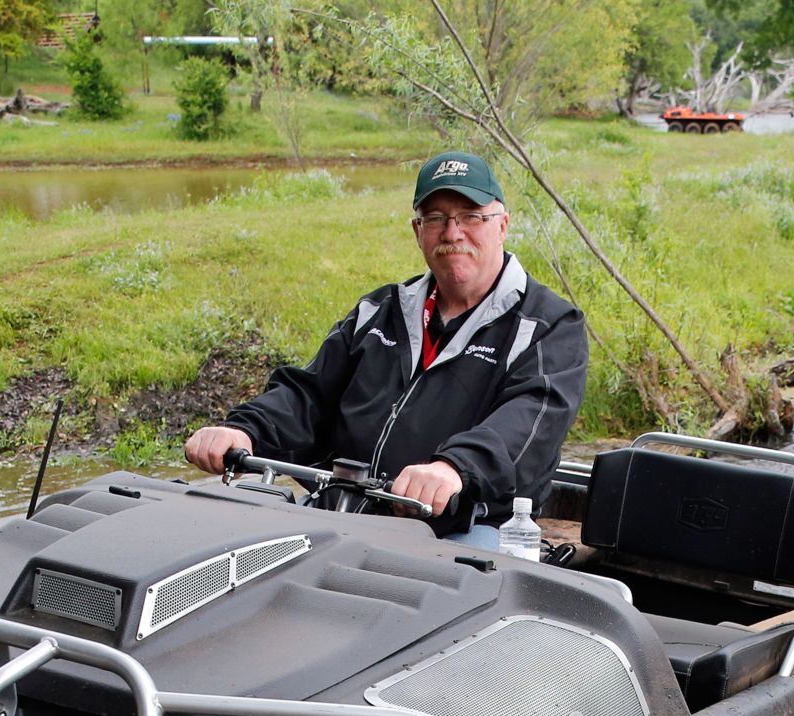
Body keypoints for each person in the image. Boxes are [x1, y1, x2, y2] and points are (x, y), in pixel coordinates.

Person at [183, 151, 588, 536]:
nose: (453, 232)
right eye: (436, 218)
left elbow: (527, 422)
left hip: (465, 533)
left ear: (501, 225)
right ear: (418, 232)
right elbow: (308, 396)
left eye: (471, 217)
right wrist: (243, 431)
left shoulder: (550, 326)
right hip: (343, 514)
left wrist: (454, 469)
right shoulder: (379, 310)